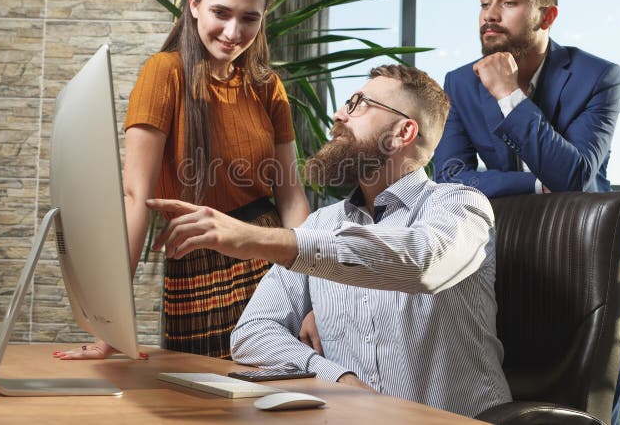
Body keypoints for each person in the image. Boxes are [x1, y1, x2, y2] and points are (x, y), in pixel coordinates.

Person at [146, 64, 512, 418]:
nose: (339, 114)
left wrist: (255, 239)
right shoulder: (323, 222)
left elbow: (421, 263)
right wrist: (334, 376)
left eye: (359, 105)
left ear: (404, 132)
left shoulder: (460, 206)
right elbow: (252, 334)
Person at [56, 0, 310, 360]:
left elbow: (292, 197)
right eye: (221, 13)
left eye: (250, 18)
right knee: (202, 404)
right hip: (198, 272)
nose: (233, 31)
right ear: (193, 5)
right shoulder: (165, 73)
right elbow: (135, 196)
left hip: (270, 267)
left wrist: (309, 295)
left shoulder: (267, 86)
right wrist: (110, 326)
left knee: (276, 404)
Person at [432, 0, 620, 425]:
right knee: (506, 404)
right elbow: (448, 178)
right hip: (507, 260)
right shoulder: (460, 83)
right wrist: (531, 183)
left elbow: (573, 174)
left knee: (585, 407)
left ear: (546, 14)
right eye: (485, 2)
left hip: (591, 261)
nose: (490, 15)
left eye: (509, 2)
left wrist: (509, 94)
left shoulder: (598, 77)